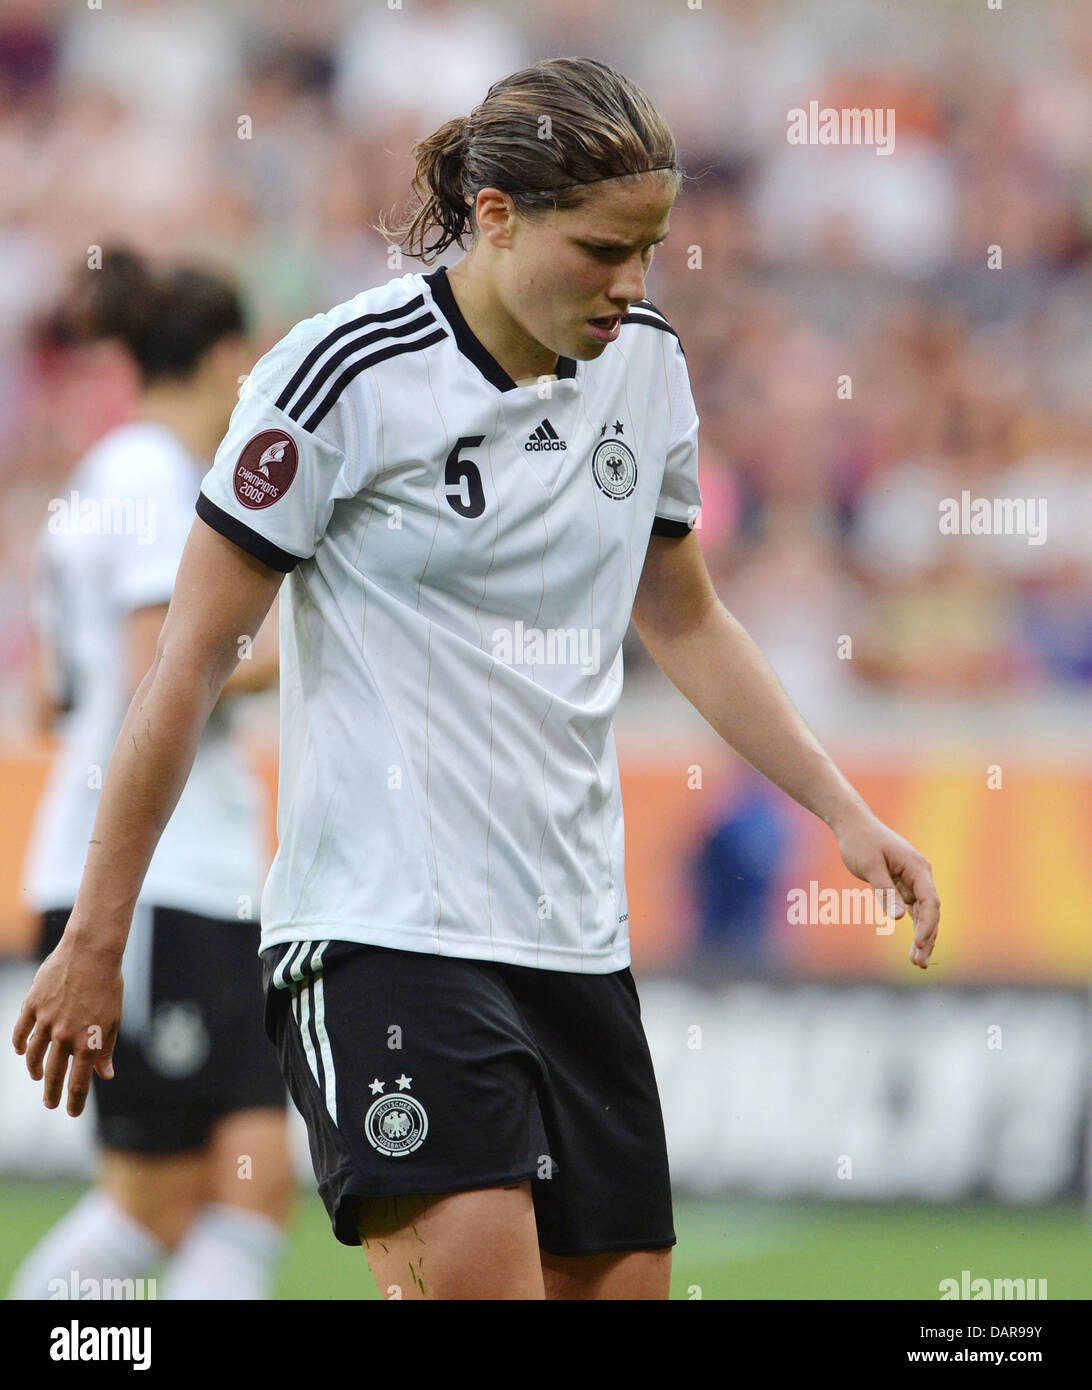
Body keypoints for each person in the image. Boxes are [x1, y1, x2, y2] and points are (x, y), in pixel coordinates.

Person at [12, 59, 939, 1301]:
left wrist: (843, 808)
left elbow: (687, 616)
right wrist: (98, 931)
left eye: (653, 250)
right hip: (382, 930)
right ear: (496, 216)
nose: (630, 284)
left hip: (572, 939)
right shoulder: (338, 376)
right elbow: (182, 669)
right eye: (603, 248)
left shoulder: (648, 368)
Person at [10, 251, 292, 1300]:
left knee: (253, 1186)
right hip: (152, 883)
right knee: (157, 1203)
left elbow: (53, 695)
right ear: (227, 358)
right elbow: (155, 681)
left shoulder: (105, 475)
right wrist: (312, 639)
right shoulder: (150, 476)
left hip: (196, 879)